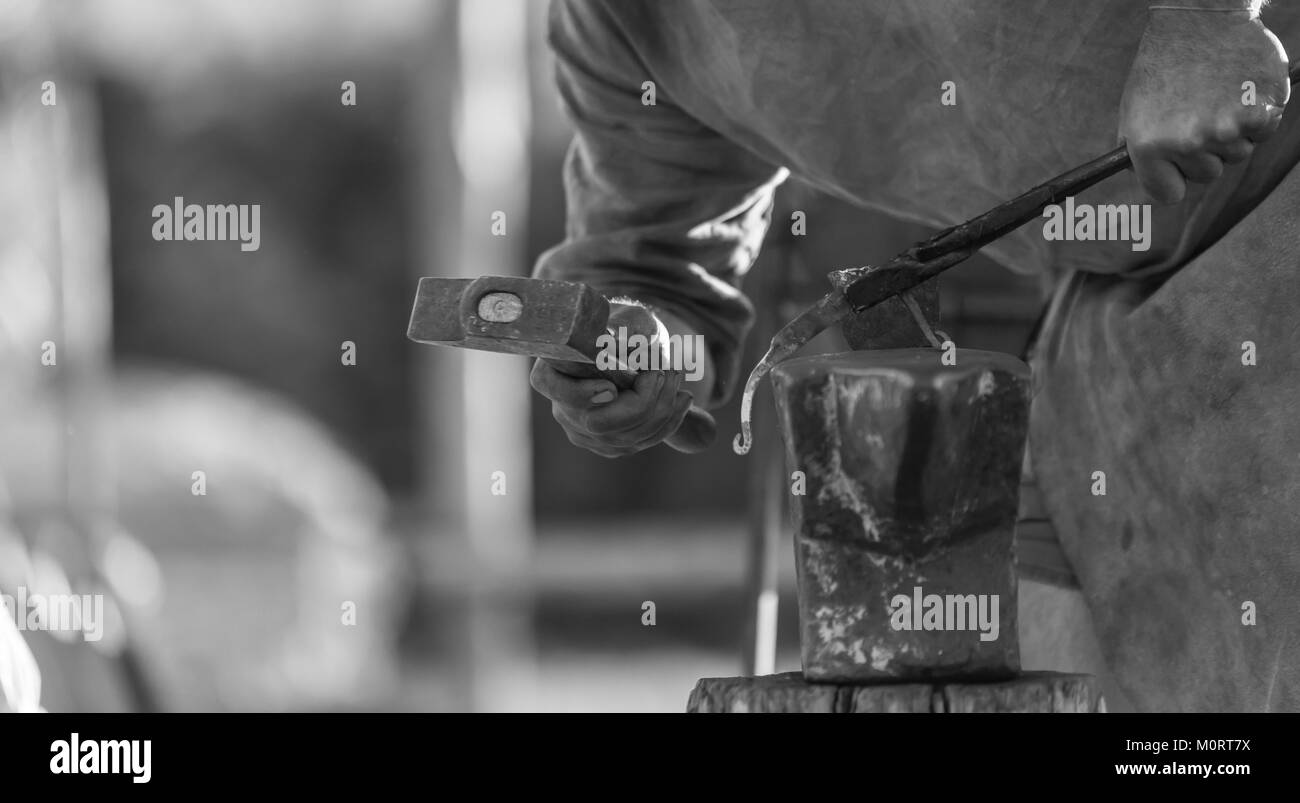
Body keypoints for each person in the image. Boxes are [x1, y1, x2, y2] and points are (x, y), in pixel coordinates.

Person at [531, 0, 1299, 711]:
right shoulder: (618, 21)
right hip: (1115, 302)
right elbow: (655, 278)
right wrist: (640, 353)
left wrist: (1208, 13)